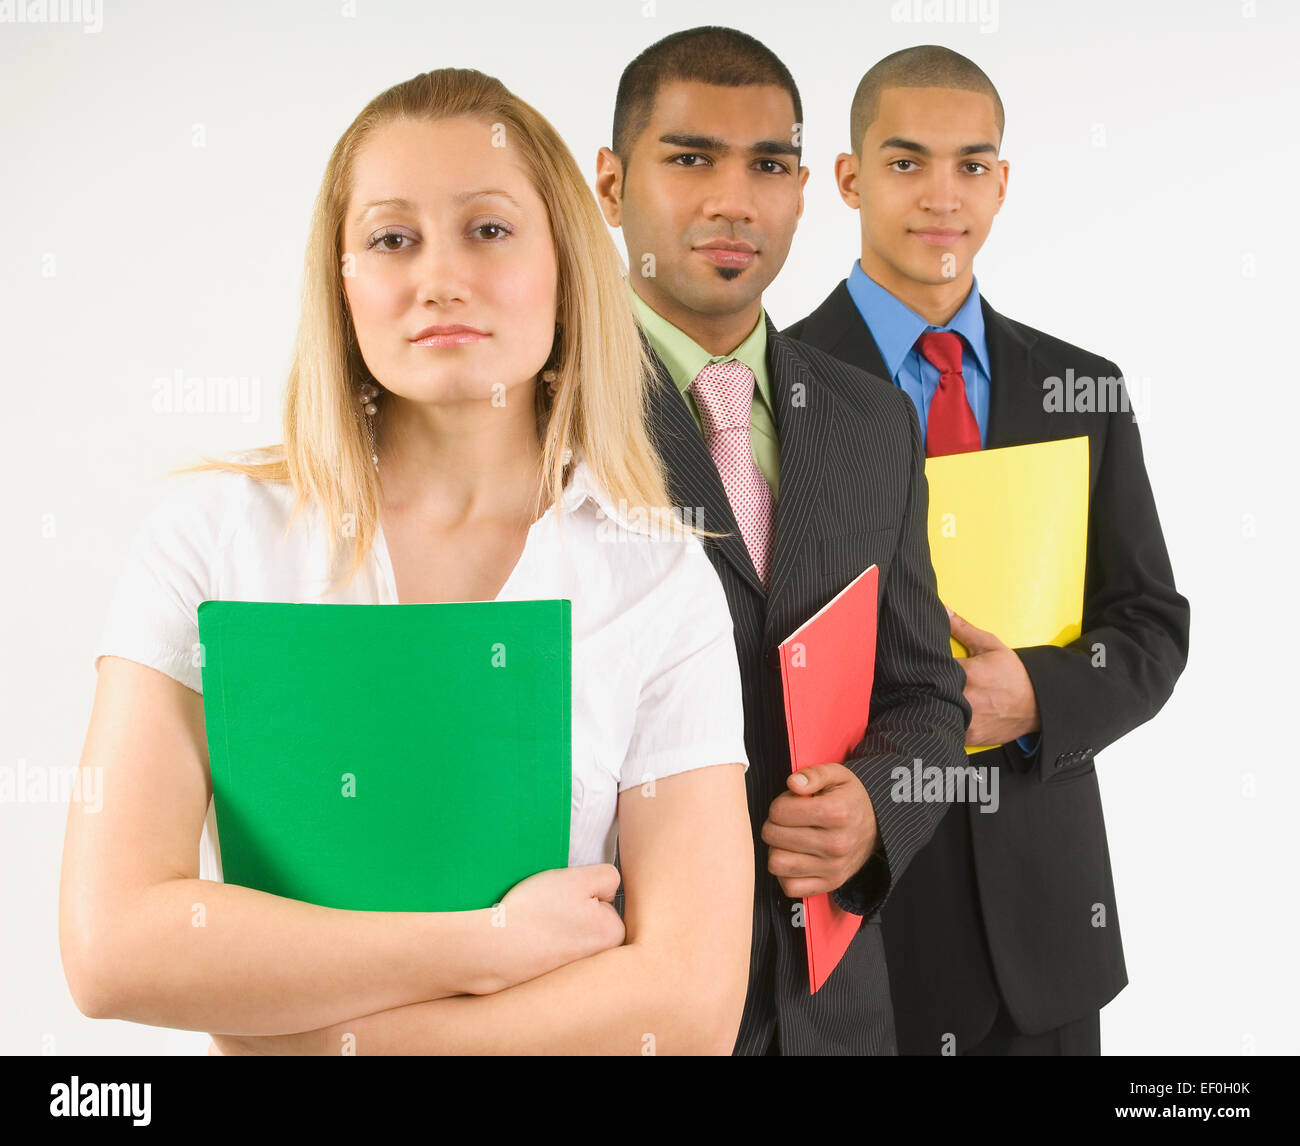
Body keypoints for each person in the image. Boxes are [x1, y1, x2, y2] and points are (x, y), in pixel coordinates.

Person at [59, 67, 754, 1056]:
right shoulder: (209, 543)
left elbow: (686, 1005)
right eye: (392, 239)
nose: (440, 279)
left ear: (565, 262)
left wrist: (320, 1043)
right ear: (341, 283)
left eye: (488, 229)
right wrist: (483, 947)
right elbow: (113, 947)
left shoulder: (655, 575)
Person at [785, 45, 1191, 1055]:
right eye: (905, 161)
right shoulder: (777, 387)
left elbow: (1149, 623)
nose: (942, 196)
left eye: (972, 165)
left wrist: (1038, 697)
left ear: (1002, 182)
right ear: (849, 178)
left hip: (1044, 926)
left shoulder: (1078, 387)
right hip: (858, 912)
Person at [595, 26, 970, 1055]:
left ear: (805, 188)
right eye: (690, 158)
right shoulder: (545, 418)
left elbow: (926, 691)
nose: (733, 200)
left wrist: (878, 805)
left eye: (767, 165)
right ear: (610, 183)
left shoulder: (870, 420)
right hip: (620, 998)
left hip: (832, 1009)